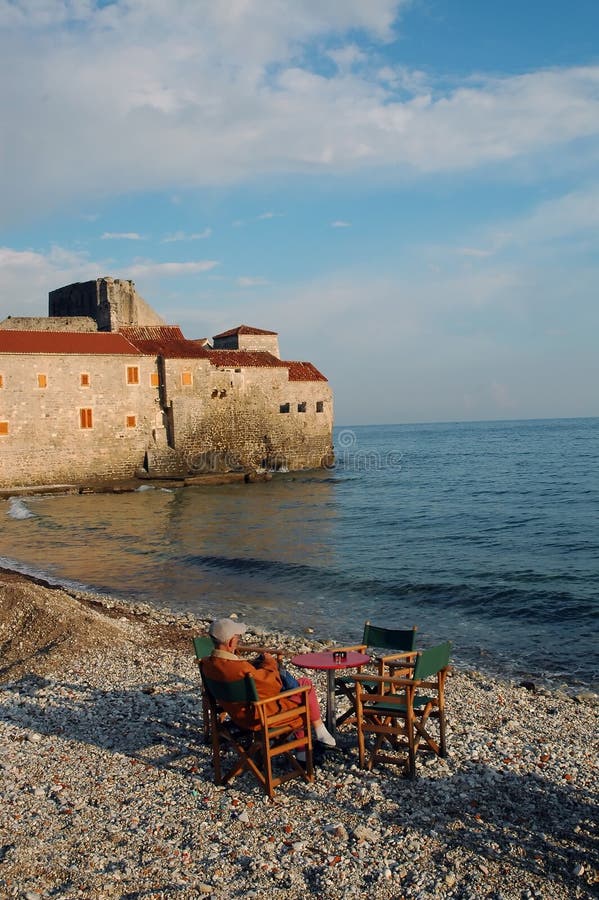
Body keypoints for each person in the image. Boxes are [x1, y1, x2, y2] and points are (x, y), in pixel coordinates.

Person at [202, 618, 336, 752]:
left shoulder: (207, 664)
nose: (238, 641)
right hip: (258, 717)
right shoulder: (241, 669)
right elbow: (273, 686)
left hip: (237, 714)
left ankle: (306, 749)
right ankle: (318, 734)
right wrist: (269, 663)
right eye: (238, 638)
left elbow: (251, 683)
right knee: (305, 692)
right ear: (231, 642)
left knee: (301, 687)